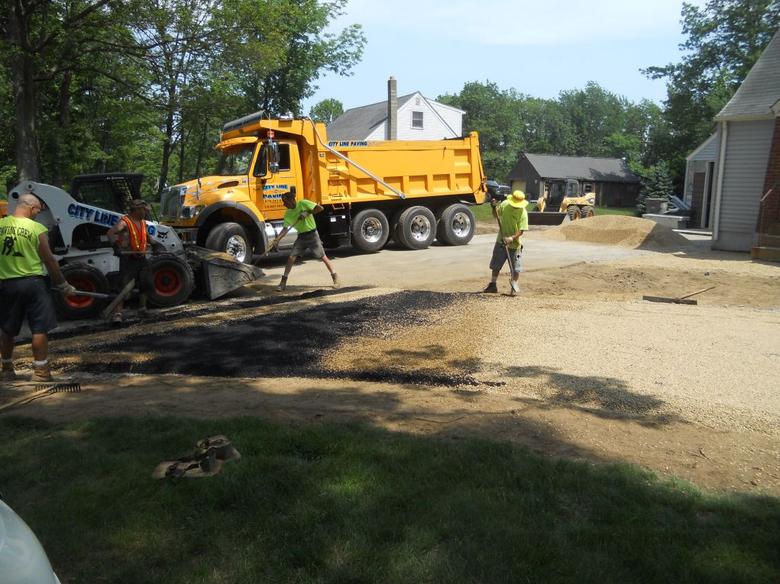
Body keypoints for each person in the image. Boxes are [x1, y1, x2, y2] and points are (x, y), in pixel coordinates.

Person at [0, 194, 77, 382]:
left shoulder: (0, 226)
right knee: (39, 328)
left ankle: (7, 370)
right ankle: (41, 372)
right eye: (38, 210)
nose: (38, 214)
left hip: (6, 284)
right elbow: (49, 259)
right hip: (33, 284)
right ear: (31, 208)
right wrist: (63, 284)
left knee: (6, 329)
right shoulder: (36, 228)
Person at [275, 191, 341, 292]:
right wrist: (277, 239)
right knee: (291, 257)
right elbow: (285, 229)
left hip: (312, 235)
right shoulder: (288, 213)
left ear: (292, 200)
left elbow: (320, 208)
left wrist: (308, 212)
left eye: (285, 202)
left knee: (323, 257)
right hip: (301, 237)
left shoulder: (303, 203)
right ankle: (283, 282)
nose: (284, 204)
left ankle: (335, 278)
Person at [106, 199, 152, 324]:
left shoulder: (142, 222)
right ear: (138, 209)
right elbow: (110, 232)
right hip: (128, 259)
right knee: (124, 286)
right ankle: (117, 314)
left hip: (141, 258)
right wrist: (115, 246)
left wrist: (155, 244)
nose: (145, 212)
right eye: (144, 210)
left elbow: (147, 236)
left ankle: (142, 308)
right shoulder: (125, 222)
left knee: (145, 282)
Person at [483, 190, 529, 295]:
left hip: (514, 244)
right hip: (501, 241)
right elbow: (496, 215)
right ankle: (493, 285)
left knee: (516, 268)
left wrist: (511, 238)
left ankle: (513, 287)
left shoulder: (523, 213)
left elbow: (521, 230)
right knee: (496, 264)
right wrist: (493, 207)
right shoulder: (505, 204)